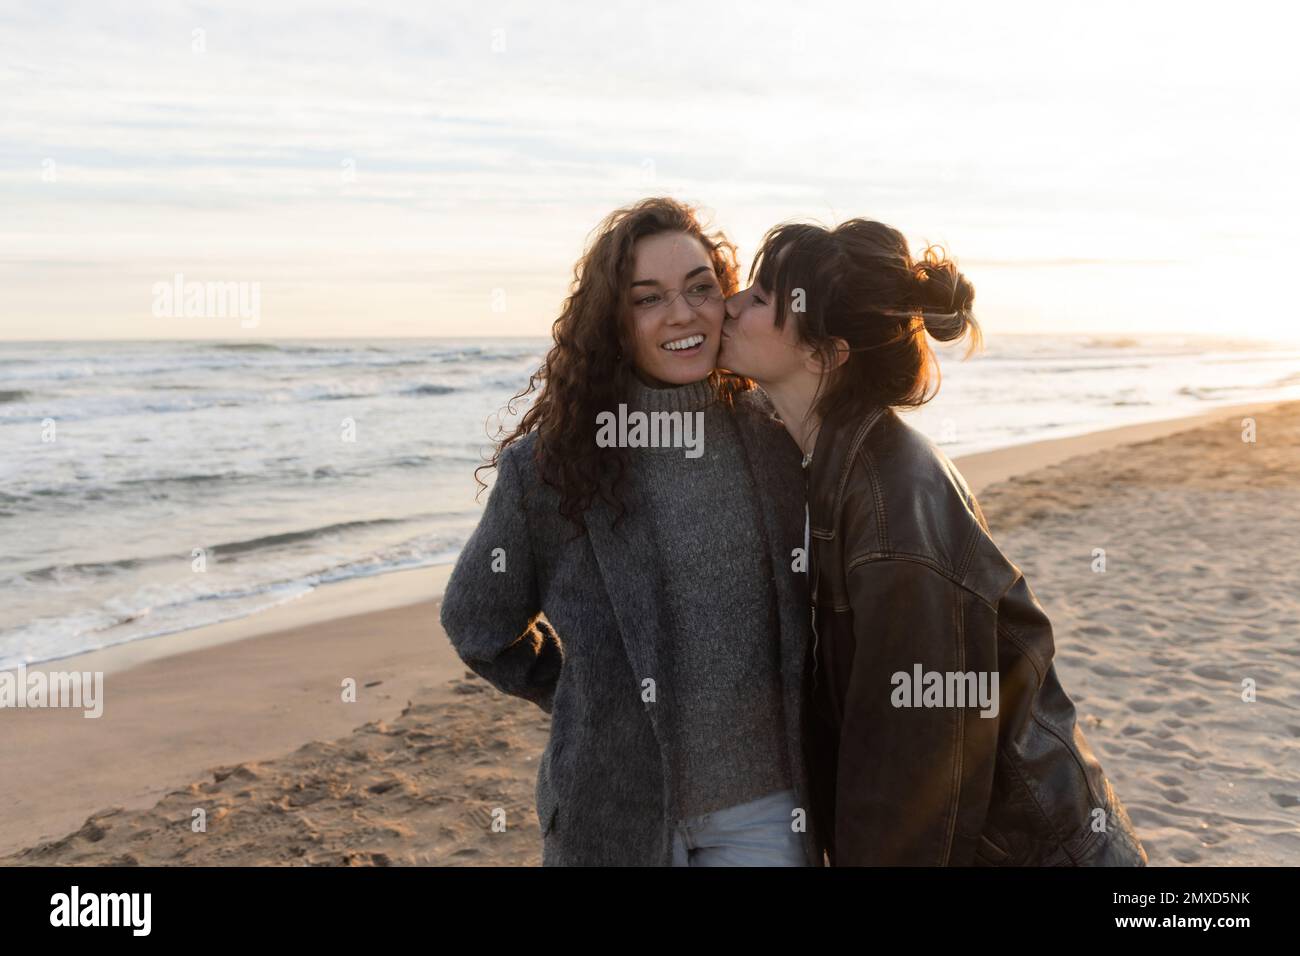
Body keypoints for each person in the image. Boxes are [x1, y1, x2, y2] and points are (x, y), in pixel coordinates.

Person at [717, 217, 1149, 865]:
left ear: (826, 354)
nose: (730, 305)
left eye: (757, 299)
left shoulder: (894, 513)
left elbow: (910, 774)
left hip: (1032, 851)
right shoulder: (835, 455)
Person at [439, 197, 826, 865]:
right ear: (615, 320)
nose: (682, 313)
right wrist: (582, 696)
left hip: (765, 812)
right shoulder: (548, 469)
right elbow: (476, 622)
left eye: (700, 289)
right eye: (648, 298)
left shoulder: (777, 438)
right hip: (612, 814)